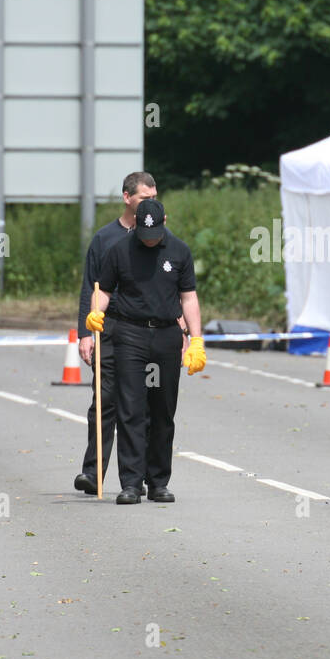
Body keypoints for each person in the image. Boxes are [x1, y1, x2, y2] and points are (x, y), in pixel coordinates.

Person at [85, 199, 204, 504]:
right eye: (145, 234)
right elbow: (104, 290)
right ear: (135, 224)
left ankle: (159, 481)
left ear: (164, 220)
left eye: (155, 235)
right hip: (130, 334)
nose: (150, 241)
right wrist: (94, 315)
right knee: (131, 409)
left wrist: (196, 339)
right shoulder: (119, 250)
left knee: (162, 410)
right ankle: (131, 482)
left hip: (166, 336)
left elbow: (188, 297)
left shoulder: (179, 251)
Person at [72, 171, 176, 495]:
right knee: (104, 401)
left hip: (144, 330)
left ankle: (141, 475)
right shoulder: (105, 239)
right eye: (145, 198)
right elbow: (90, 286)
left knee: (143, 402)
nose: (151, 203)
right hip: (109, 324)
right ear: (127, 198)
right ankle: (94, 472)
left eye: (154, 197)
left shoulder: (161, 238)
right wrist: (85, 333)